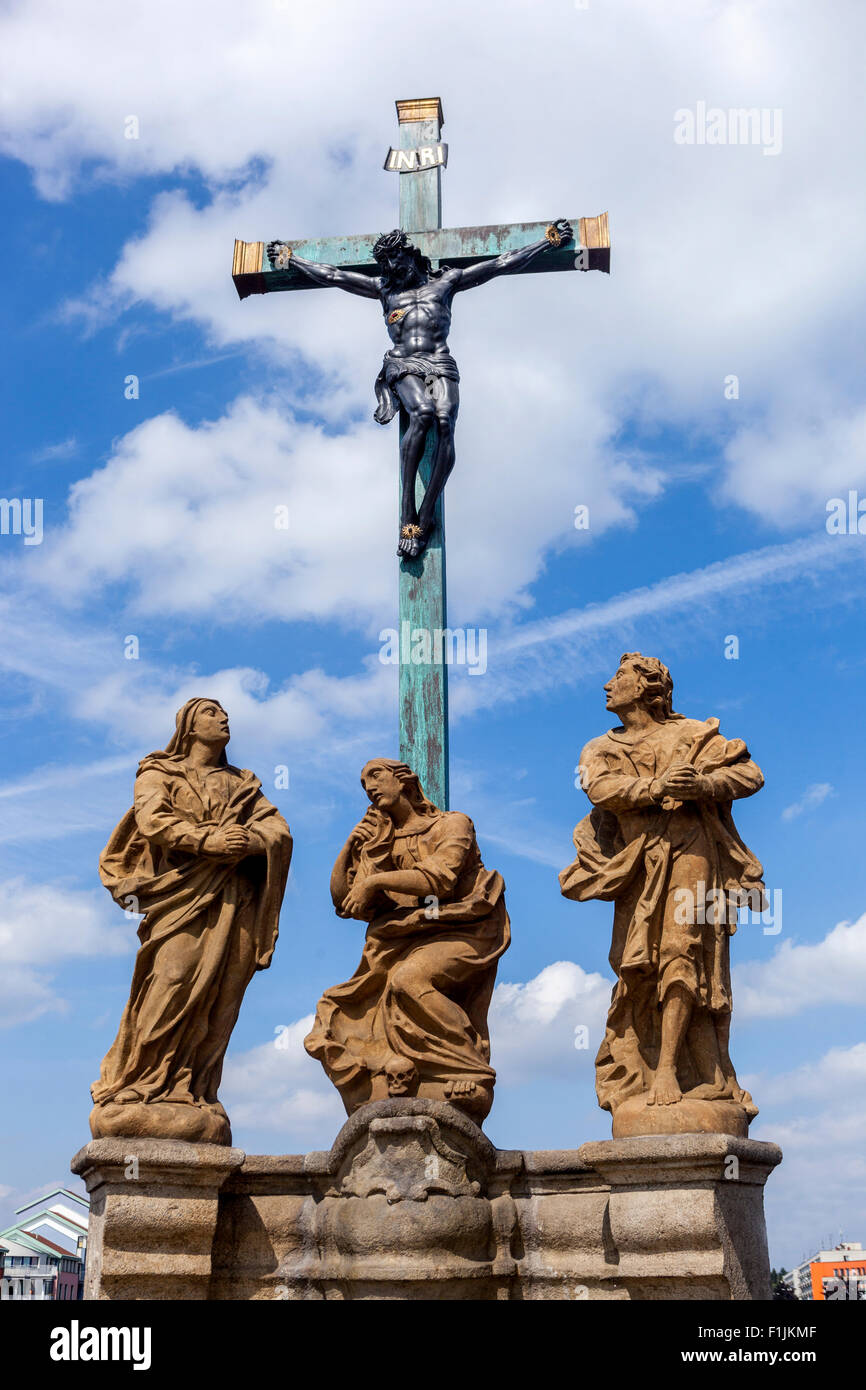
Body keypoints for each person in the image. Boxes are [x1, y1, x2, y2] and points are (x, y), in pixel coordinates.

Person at [267, 221, 572, 558]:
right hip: (403, 364)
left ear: (411, 256)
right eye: (387, 264)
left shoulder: (445, 283)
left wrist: (546, 243)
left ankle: (425, 516)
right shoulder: (385, 291)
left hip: (438, 362)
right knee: (423, 414)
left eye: (397, 260)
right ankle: (407, 513)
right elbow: (334, 275)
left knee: (444, 422)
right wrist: (291, 259)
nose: (393, 268)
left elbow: (500, 264)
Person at [560, 653, 764, 1122]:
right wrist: (656, 786)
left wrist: (705, 785)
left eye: (619, 677)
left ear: (647, 687)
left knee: (681, 948)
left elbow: (750, 775)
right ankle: (654, 1065)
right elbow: (600, 789)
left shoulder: (692, 735)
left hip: (691, 850)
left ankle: (670, 1070)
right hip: (637, 864)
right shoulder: (598, 747)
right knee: (636, 967)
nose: (607, 685)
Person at [91, 697, 292, 1143]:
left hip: (235, 900)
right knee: (173, 978)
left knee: (223, 996)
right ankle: (141, 1084)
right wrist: (207, 842)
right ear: (188, 725)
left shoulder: (244, 785)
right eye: (211, 712)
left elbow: (279, 831)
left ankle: (195, 1088)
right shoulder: (159, 772)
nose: (223, 718)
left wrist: (250, 843)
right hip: (179, 897)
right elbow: (153, 820)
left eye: (224, 714)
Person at [305, 758, 510, 1120]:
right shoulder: (380, 840)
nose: (369, 786)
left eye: (376, 775)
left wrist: (376, 881)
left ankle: (467, 1070)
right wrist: (352, 846)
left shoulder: (452, 824)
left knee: (409, 980)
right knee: (342, 1004)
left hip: (463, 927)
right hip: (402, 935)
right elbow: (345, 901)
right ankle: (399, 1073)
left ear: (404, 781)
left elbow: (440, 881)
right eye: (363, 782)